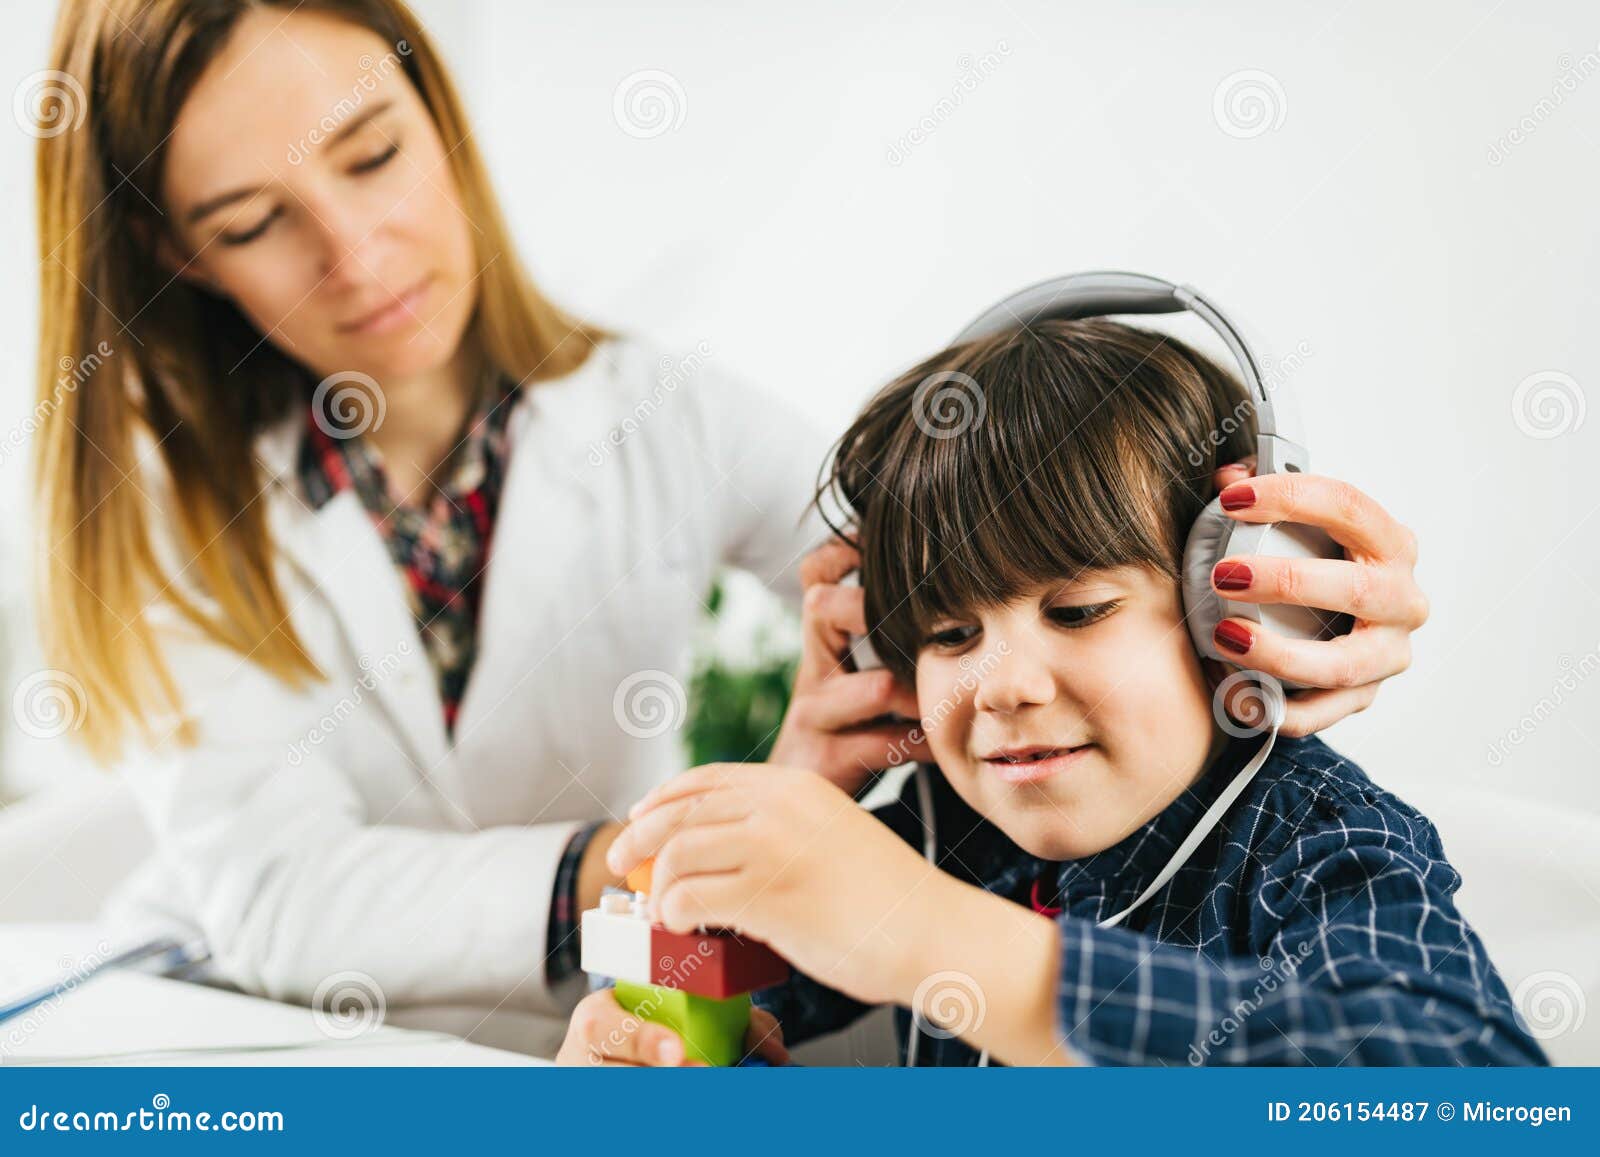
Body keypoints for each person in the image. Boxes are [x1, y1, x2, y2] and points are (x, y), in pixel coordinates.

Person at [30, 0, 1427, 1053]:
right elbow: (285, 899)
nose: (356, 251)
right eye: (257, 218)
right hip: (247, 1027)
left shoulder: (668, 418)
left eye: (373, 154)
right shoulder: (151, 519)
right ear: (172, 250)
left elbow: (973, 523)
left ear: (436, 114)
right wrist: (695, 875)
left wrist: (1296, 601)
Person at [569, 319, 1537, 1067]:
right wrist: (661, 1042)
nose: (1003, 685)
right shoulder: (943, 829)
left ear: (1227, 605)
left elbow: (1466, 1086)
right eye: (950, 634)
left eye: (1076, 610)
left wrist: (937, 933)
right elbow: (703, 969)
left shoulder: (1311, 837)